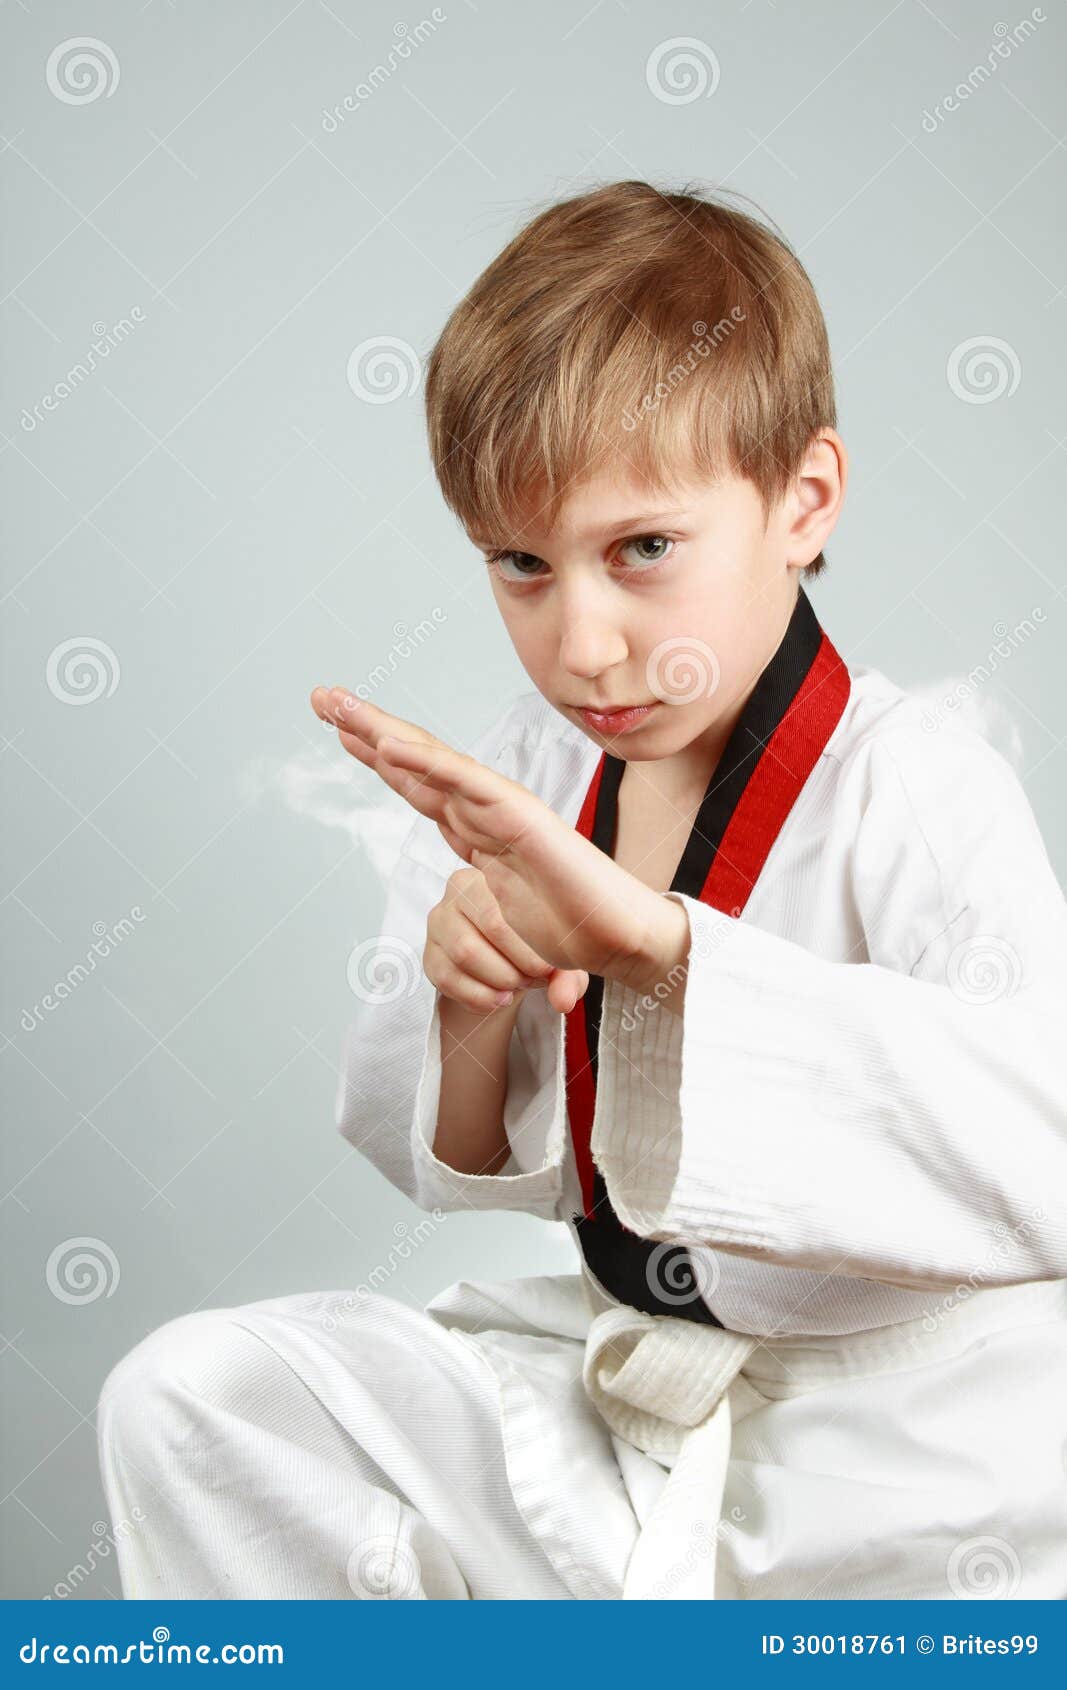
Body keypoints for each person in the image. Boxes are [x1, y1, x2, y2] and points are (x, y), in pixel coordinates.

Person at [96, 180, 1067, 1600]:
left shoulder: (914, 779)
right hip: (624, 1390)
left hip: (905, 1459)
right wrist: (471, 998)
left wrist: (666, 946)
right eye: (522, 564)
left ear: (803, 501)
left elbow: (1042, 1147)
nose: (586, 642)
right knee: (196, 1398)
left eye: (643, 551)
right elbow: (468, 1158)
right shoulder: (528, 767)